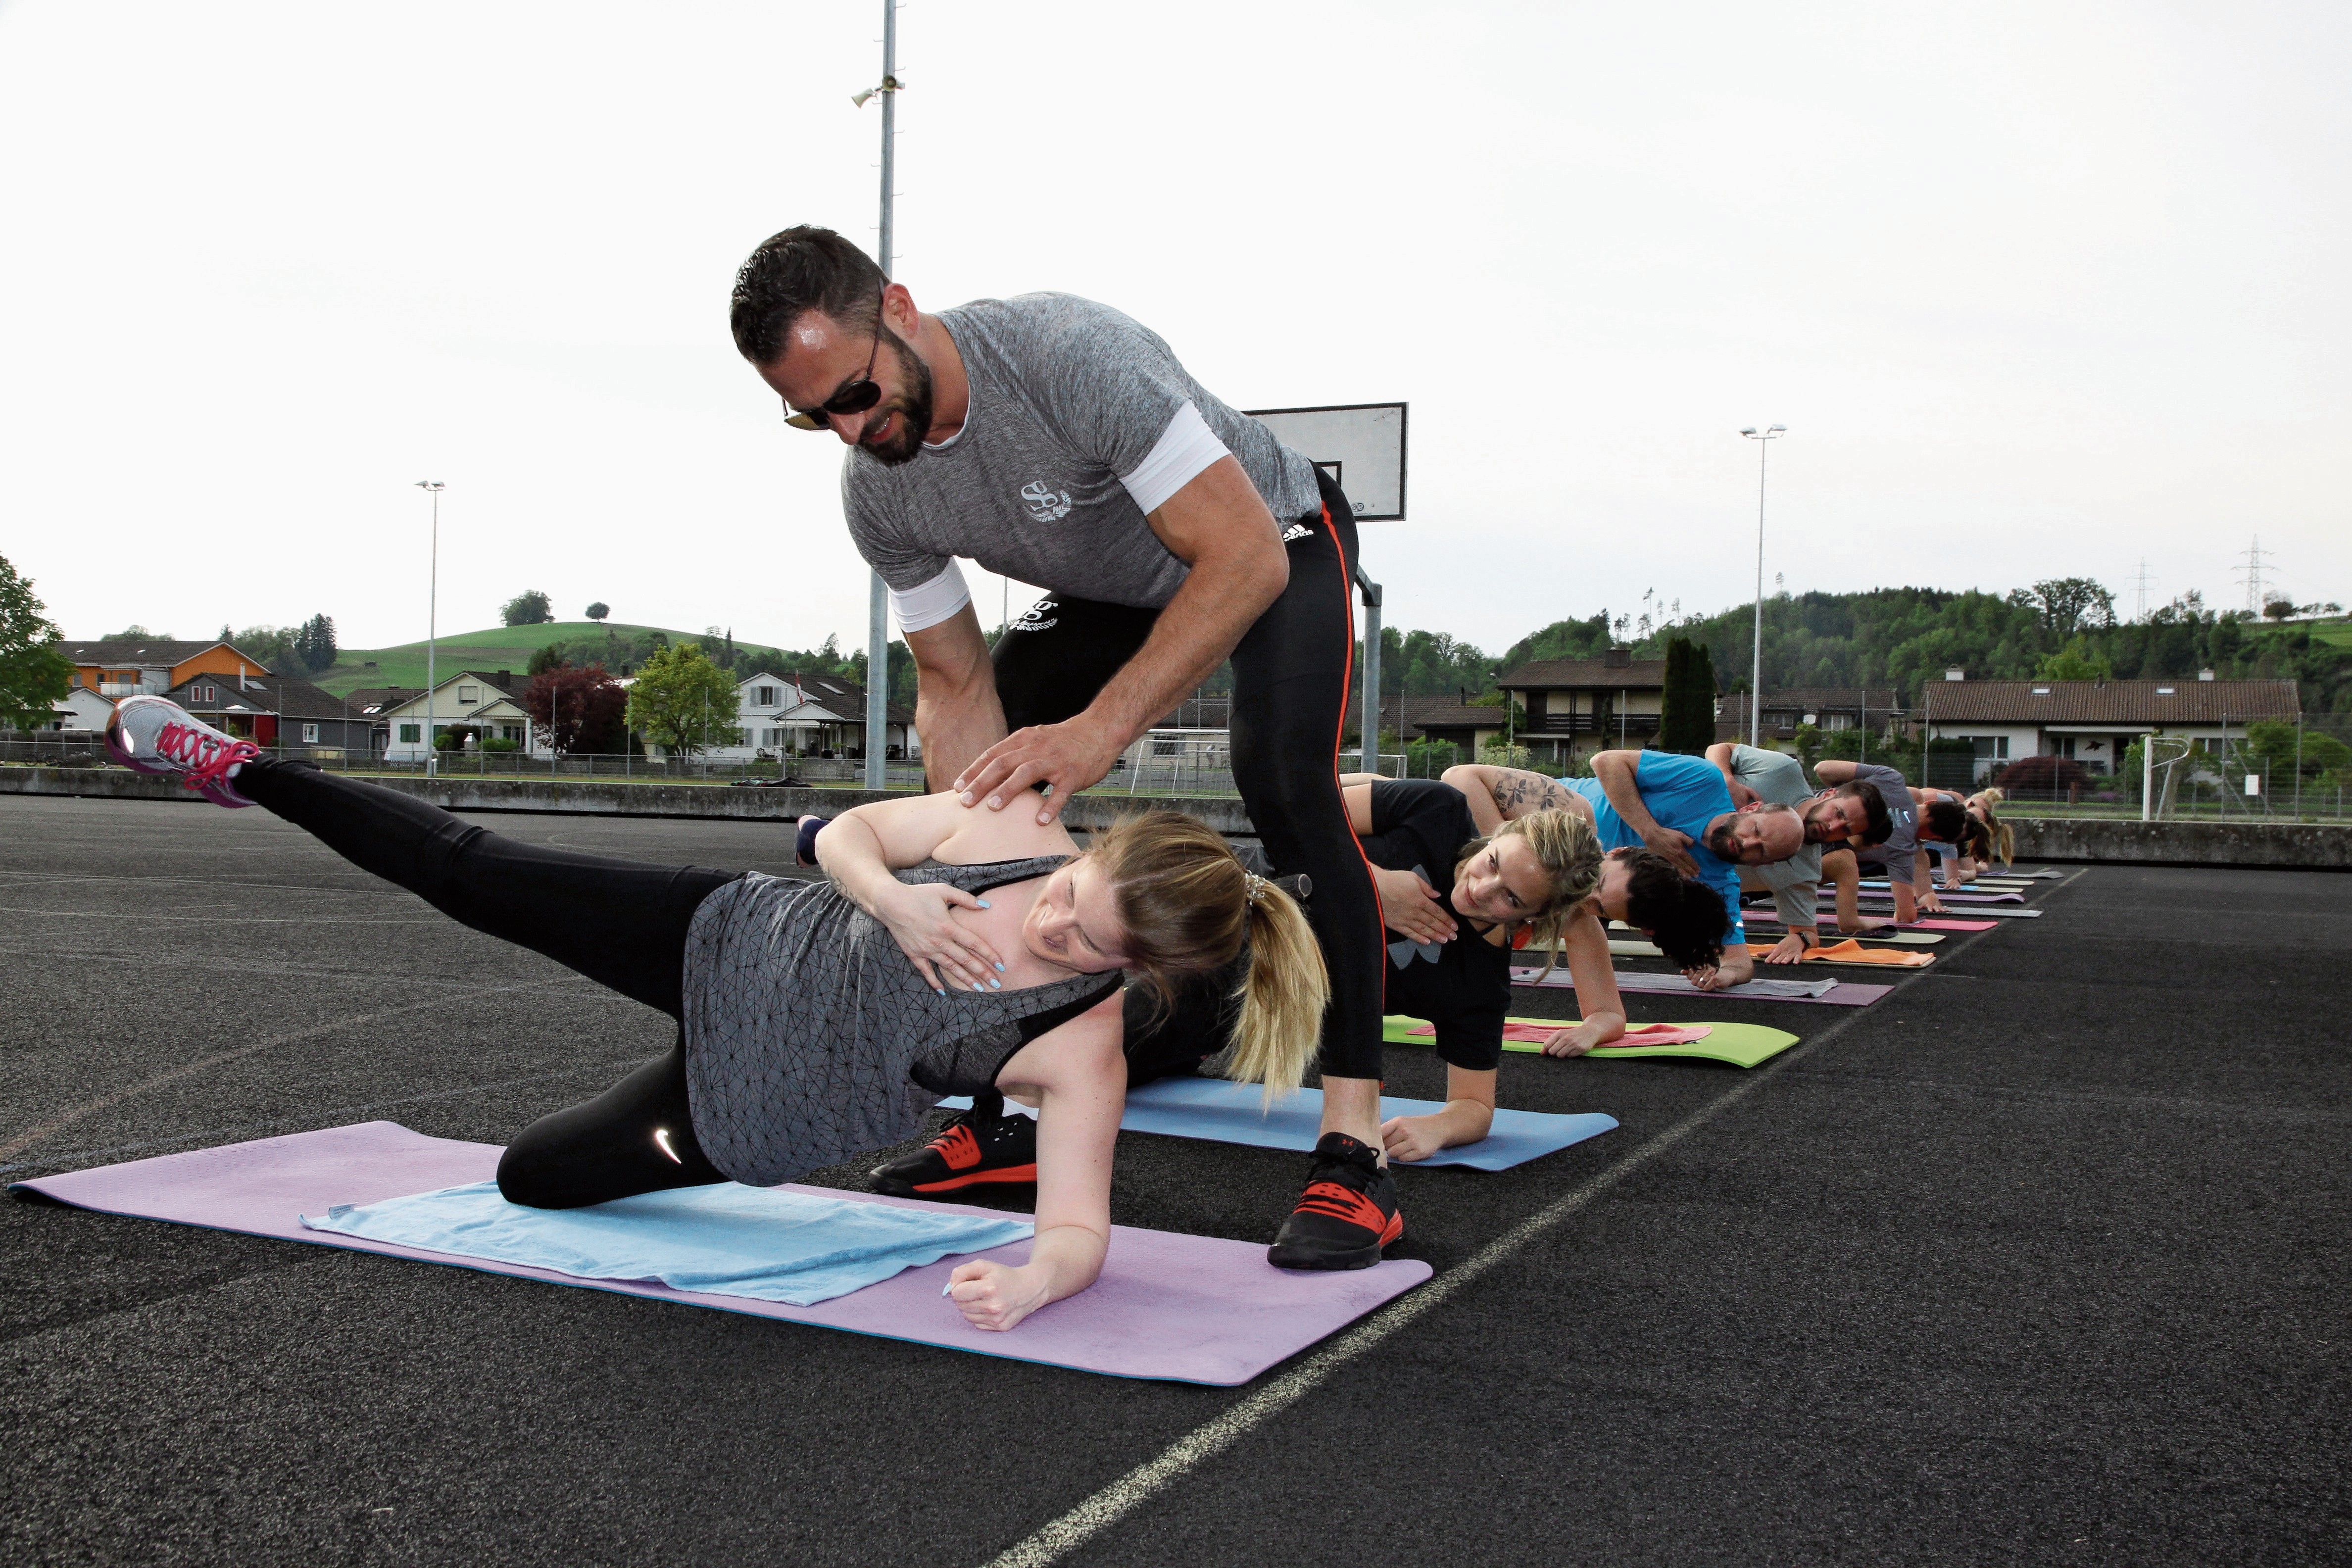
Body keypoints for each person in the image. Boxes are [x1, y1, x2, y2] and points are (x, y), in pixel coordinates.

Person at [103, 694, 1325, 1330]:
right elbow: (845, 832)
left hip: (740, 1114)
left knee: (534, 1178)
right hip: (722, 938)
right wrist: (893, 904)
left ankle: (668, 1150)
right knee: (472, 870)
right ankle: (244, 767)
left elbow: (1074, 1228)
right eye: (1070, 895)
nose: (1055, 926)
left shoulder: (1082, 1050)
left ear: (1141, 972)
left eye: (1088, 942)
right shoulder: (1005, 825)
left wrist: (1035, 1287)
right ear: (1089, 846)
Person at [731, 227, 1394, 1269]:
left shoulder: (1067, 358)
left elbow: (1241, 558)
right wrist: (976, 853)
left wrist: (1101, 732)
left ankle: (1354, 1157)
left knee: (1281, 777)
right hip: (1112, 590)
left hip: (1273, 536)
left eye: (856, 394)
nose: (851, 430)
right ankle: (1011, 1108)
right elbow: (955, 682)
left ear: (898, 308)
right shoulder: (879, 489)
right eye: (813, 414)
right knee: (995, 770)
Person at [1445, 751, 1808, 991]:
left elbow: (1740, 963)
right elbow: (1606, 761)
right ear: (1751, 809)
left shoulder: (1717, 884)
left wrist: (1718, 974)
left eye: (1760, 852)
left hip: (1532, 886)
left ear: (1765, 866)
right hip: (1522, 830)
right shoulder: (1702, 781)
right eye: (1756, 833)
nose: (1747, 845)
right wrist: (1651, 830)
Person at [1702, 742, 1894, 962]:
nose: (1833, 827)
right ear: (1829, 794)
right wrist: (1726, 780)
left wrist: (1799, 939)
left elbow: (1807, 931)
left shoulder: (1804, 870)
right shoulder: (1783, 771)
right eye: (1837, 813)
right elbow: (1720, 748)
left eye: (1846, 830)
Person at [1813, 759, 1963, 923]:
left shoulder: (1892, 779)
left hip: (1809, 811)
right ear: (1935, 838)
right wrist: (1926, 895)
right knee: (1845, 864)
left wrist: (1843, 790)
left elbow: (1823, 769)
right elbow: (1905, 916)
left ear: (1930, 803)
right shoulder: (1904, 850)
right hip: (1812, 857)